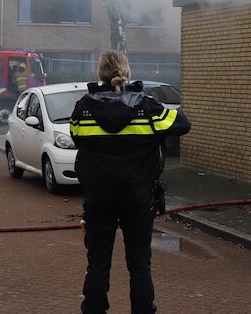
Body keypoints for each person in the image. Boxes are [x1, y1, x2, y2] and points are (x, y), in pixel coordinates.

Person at [69, 50, 191, 314]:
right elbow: (183, 124)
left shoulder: (83, 108)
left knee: (97, 263)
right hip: (137, 196)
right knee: (139, 265)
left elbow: (77, 138)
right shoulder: (147, 106)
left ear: (100, 73)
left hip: (98, 197)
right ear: (127, 72)